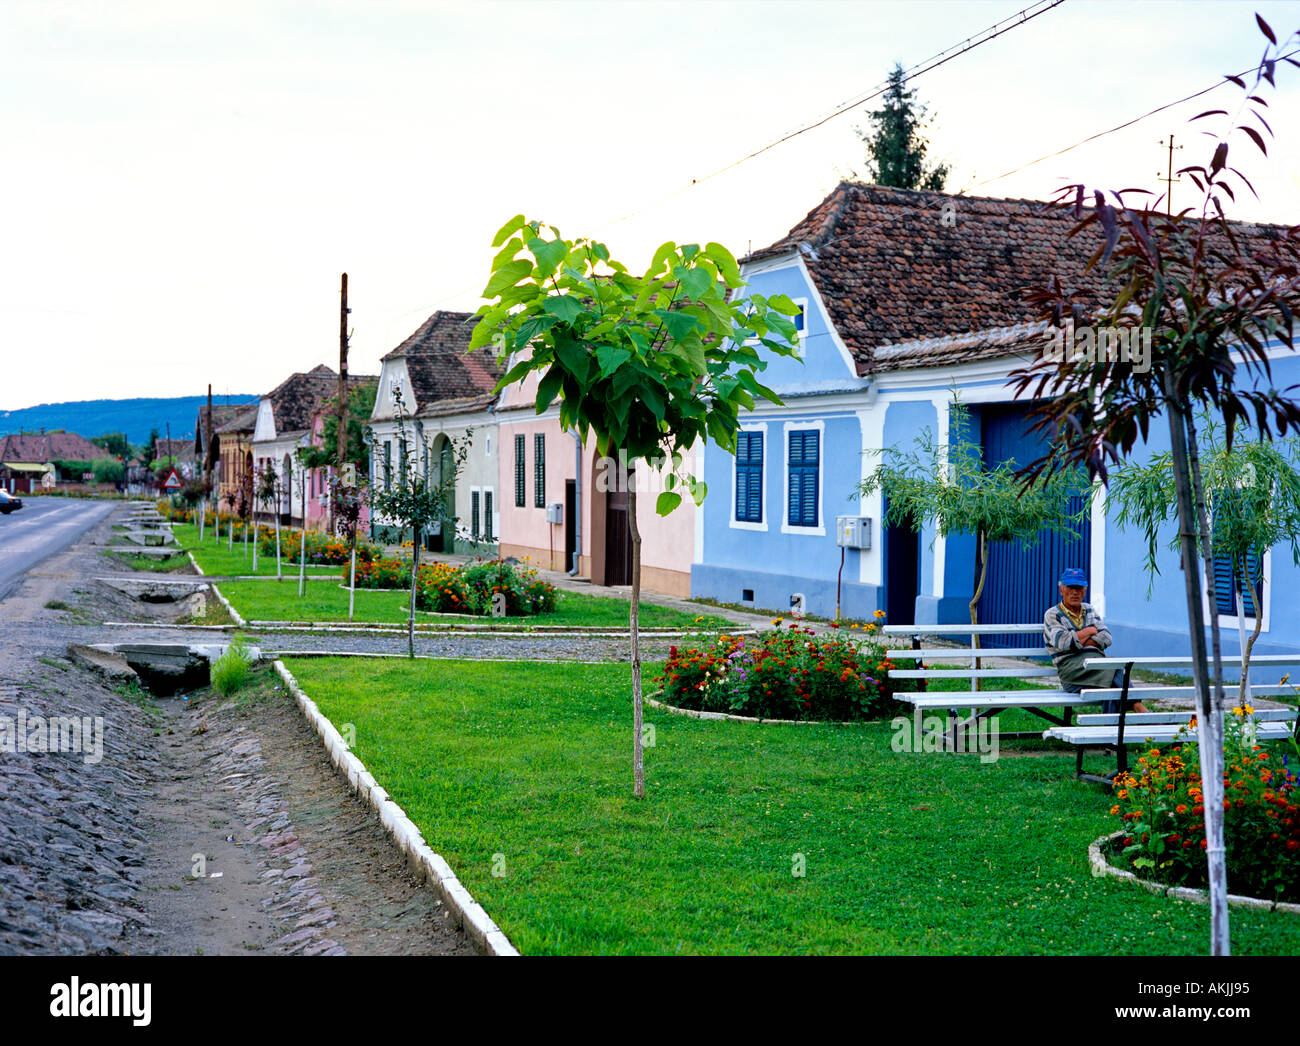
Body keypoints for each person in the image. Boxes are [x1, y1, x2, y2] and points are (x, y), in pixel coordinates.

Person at [1043, 568, 1148, 715]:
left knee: (1111, 685)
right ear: (1062, 590)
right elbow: (1064, 643)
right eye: (1070, 588)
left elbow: (1107, 637)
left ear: (1085, 591)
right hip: (1072, 672)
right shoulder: (1052, 615)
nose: (1075, 592)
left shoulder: (1089, 610)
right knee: (1115, 668)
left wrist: (1078, 640)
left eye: (1079, 588)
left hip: (1097, 666)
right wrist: (1089, 631)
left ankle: (1110, 733)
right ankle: (1138, 707)